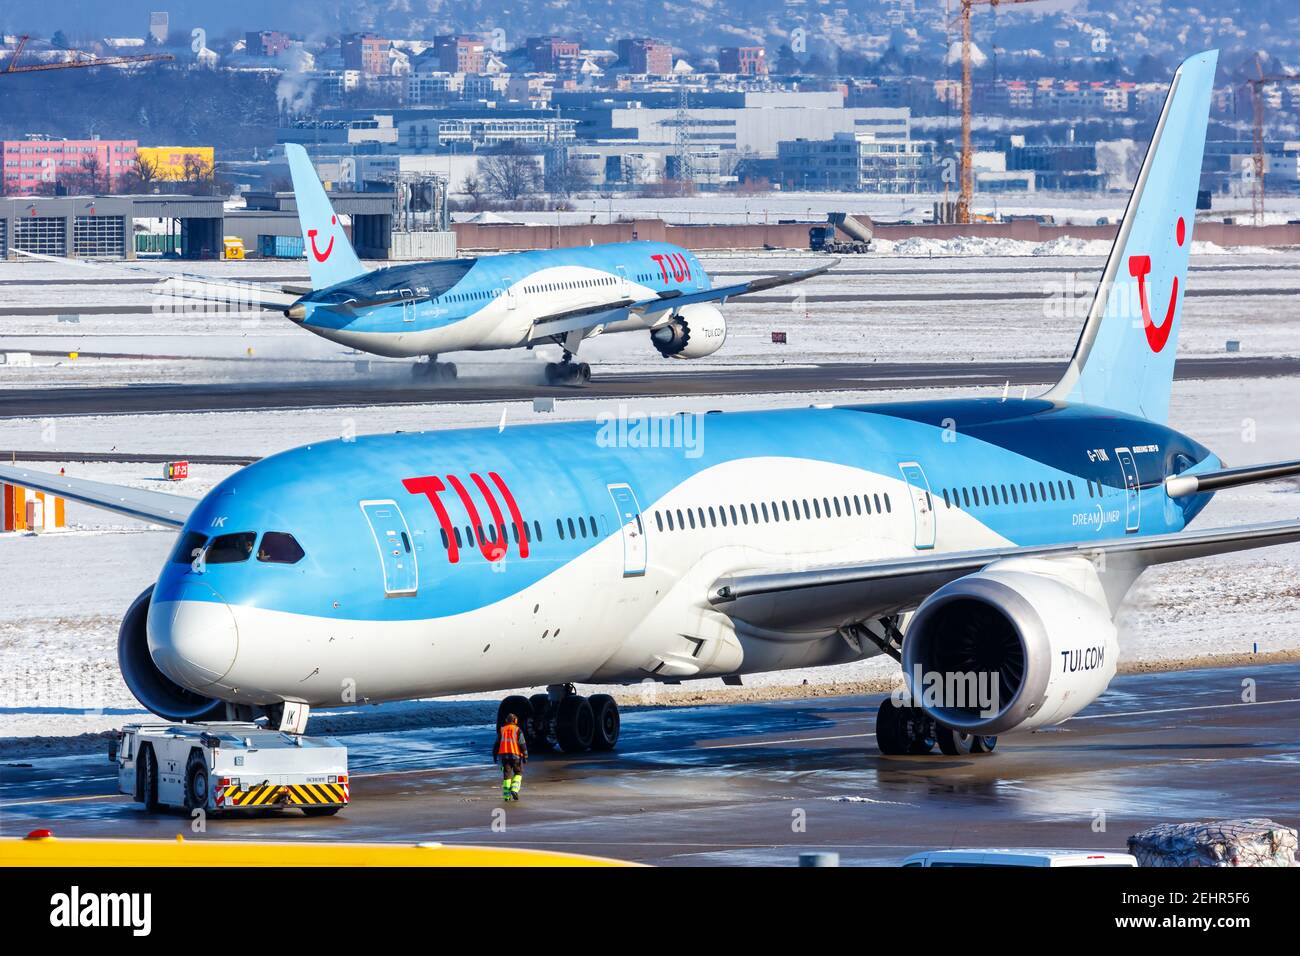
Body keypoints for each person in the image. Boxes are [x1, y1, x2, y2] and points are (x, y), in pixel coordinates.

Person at [493, 713, 528, 801]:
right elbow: (522, 744)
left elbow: (497, 744)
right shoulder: (517, 730)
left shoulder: (502, 730)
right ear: (515, 721)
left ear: (506, 721)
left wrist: (494, 754)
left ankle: (506, 796)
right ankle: (514, 789)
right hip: (516, 756)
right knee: (518, 773)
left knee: (507, 776)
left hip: (504, 757)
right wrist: (525, 755)